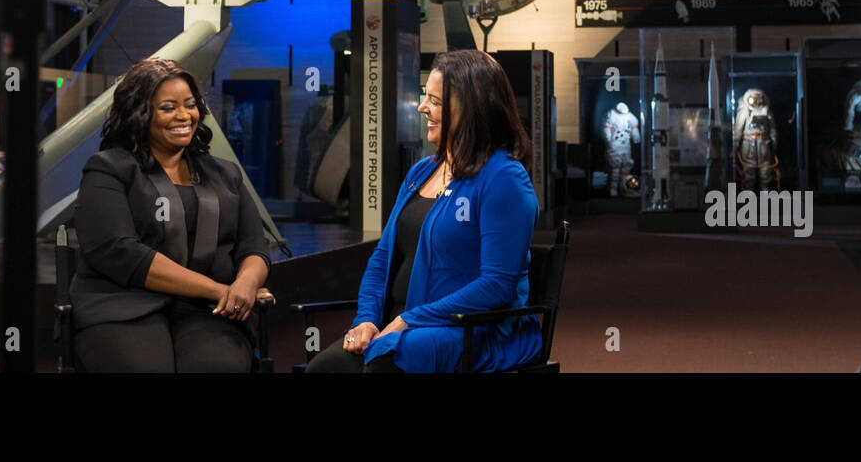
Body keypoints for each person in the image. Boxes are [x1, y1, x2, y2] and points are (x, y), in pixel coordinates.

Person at [306, 49, 542, 373]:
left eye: (436, 101)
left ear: (472, 110)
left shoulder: (504, 178)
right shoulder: (421, 171)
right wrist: (366, 320)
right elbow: (382, 257)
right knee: (326, 367)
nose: (422, 107)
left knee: (384, 364)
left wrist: (407, 320)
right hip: (402, 323)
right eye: (424, 96)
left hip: (469, 329)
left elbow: (497, 285)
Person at [70, 58, 272, 372]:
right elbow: (121, 252)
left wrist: (245, 285)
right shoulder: (109, 169)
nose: (184, 116)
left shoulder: (225, 174)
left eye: (190, 105)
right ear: (140, 113)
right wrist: (219, 289)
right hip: (125, 307)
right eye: (168, 107)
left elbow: (254, 247)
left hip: (209, 311)